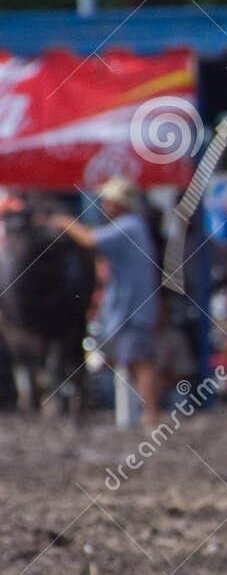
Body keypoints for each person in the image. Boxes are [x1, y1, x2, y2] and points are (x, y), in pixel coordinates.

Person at [50, 177, 160, 427]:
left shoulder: (129, 225)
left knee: (140, 362)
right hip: (129, 307)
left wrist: (64, 222)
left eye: (109, 201)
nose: (105, 205)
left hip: (133, 309)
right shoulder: (134, 225)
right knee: (132, 362)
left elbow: (90, 240)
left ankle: (151, 415)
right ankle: (141, 414)